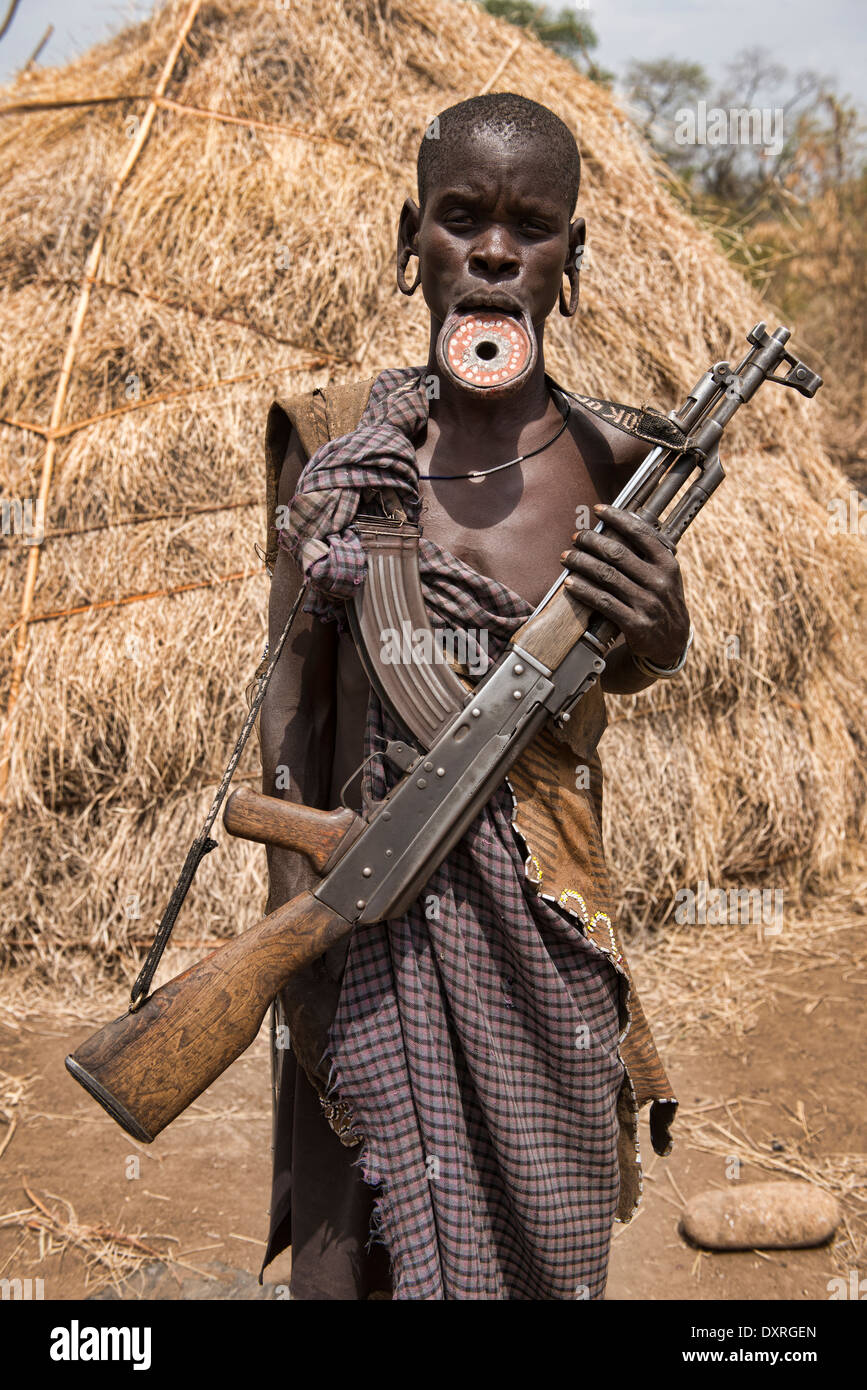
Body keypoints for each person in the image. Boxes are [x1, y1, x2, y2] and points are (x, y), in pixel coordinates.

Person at [259, 92, 690, 1300]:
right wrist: (297, 933)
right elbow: (289, 696)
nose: (495, 252)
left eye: (530, 228)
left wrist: (665, 630)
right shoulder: (334, 447)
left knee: (546, 1236)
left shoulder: (617, 463)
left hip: (540, 932)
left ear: (570, 258)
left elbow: (623, 669)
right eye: (462, 218)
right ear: (413, 240)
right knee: (356, 1250)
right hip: (363, 925)